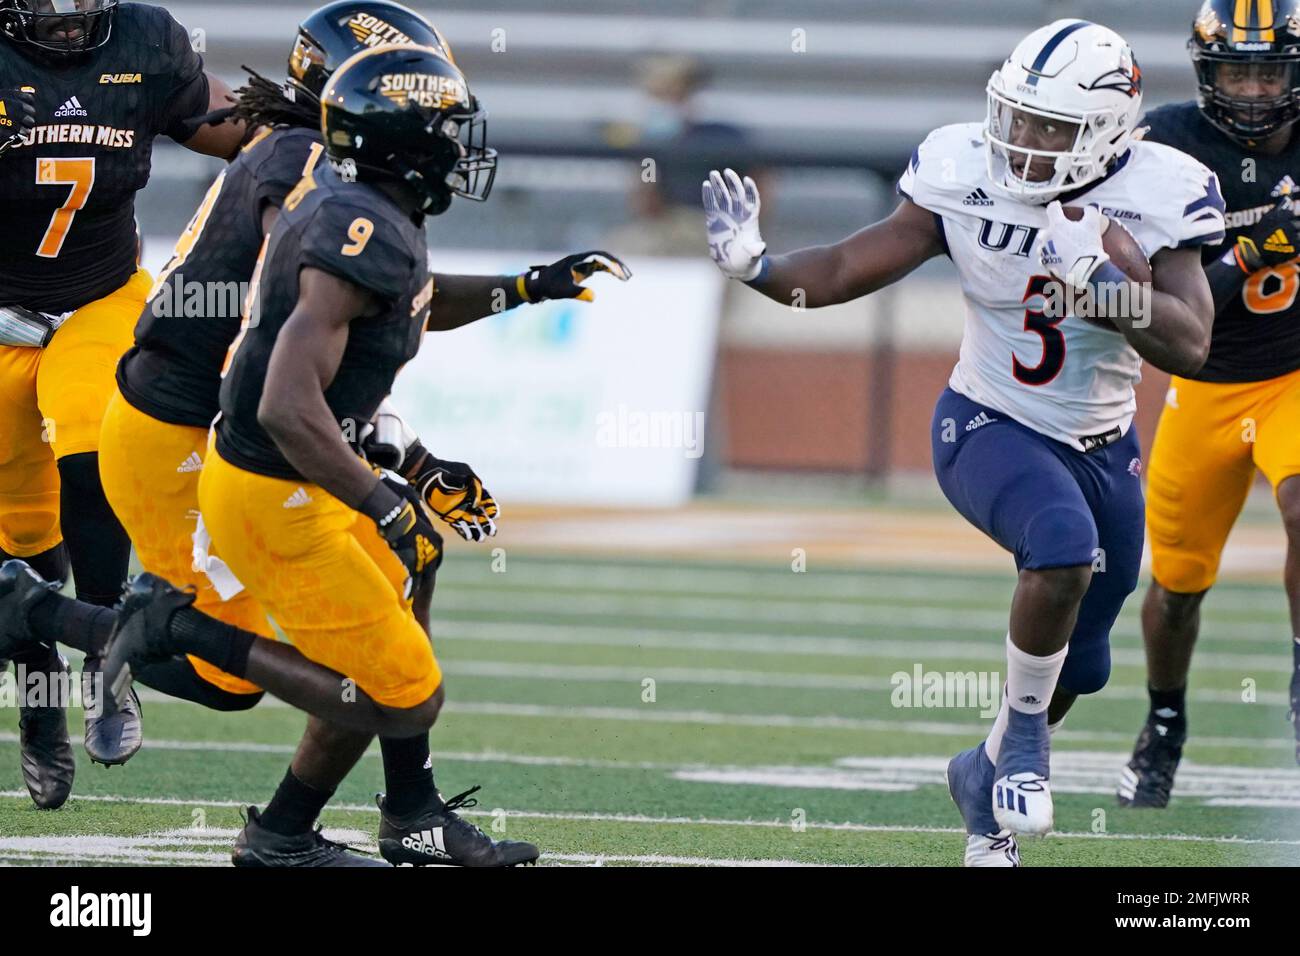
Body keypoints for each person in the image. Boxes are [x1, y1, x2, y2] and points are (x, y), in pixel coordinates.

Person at [702, 20, 1223, 866]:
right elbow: (843, 269)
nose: (1022, 141)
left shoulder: (1161, 190)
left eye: (1049, 127)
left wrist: (1100, 289)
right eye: (1015, 116)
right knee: (1060, 551)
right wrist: (759, 265)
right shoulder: (960, 165)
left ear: (1105, 132)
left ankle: (980, 785)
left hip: (1102, 442)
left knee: (1083, 668)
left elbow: (1191, 344)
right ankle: (1020, 750)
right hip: (987, 420)